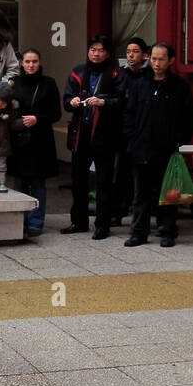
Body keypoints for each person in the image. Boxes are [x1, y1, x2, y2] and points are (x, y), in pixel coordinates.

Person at [124, 41, 193, 248]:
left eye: (161, 59)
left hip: (166, 148)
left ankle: (167, 231)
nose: (156, 63)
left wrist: (179, 139)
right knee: (141, 194)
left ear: (170, 61)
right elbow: (129, 113)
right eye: (153, 59)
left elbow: (191, 117)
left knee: (168, 193)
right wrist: (131, 137)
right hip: (141, 147)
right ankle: (139, 232)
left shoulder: (179, 87)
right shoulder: (140, 84)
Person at [62, 34, 122, 239]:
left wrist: (104, 103)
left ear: (108, 53)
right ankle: (78, 221)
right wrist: (72, 101)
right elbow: (66, 99)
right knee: (78, 179)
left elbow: (122, 101)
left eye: (101, 50)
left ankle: (102, 225)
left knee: (104, 181)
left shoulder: (115, 73)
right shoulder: (78, 72)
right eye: (93, 50)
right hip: (81, 132)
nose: (96, 54)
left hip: (105, 133)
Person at [10, 49, 61, 237]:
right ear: (22, 63)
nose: (31, 65)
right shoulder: (14, 83)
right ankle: (19, 221)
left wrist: (37, 119)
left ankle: (36, 222)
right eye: (27, 61)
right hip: (19, 140)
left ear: (39, 63)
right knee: (20, 182)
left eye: (34, 61)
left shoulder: (49, 83)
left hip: (41, 141)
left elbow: (56, 114)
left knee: (38, 183)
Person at [114, 37, 150, 225]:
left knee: (142, 177)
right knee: (121, 174)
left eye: (135, 51)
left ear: (145, 55)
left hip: (143, 133)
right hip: (123, 132)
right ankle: (118, 210)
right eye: (128, 51)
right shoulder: (121, 75)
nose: (130, 55)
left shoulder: (149, 77)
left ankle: (142, 213)